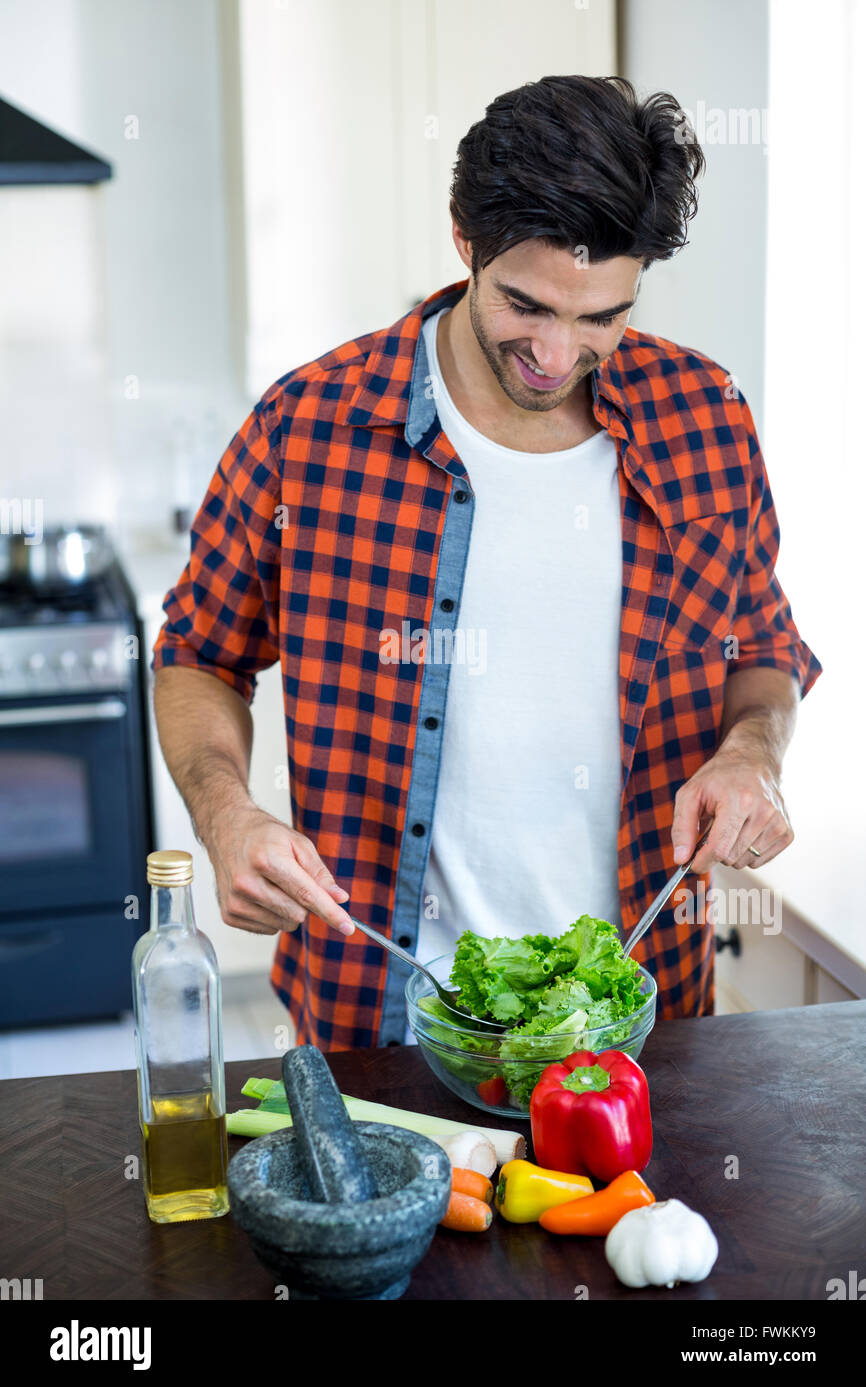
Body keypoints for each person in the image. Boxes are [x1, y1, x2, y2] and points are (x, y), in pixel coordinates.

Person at [151, 75, 820, 1050]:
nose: (556, 354)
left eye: (601, 317)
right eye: (527, 304)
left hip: (640, 1023)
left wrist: (751, 754)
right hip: (378, 1027)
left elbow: (758, 647)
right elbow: (199, 653)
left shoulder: (702, 418)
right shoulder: (310, 427)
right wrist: (227, 817)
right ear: (464, 238)